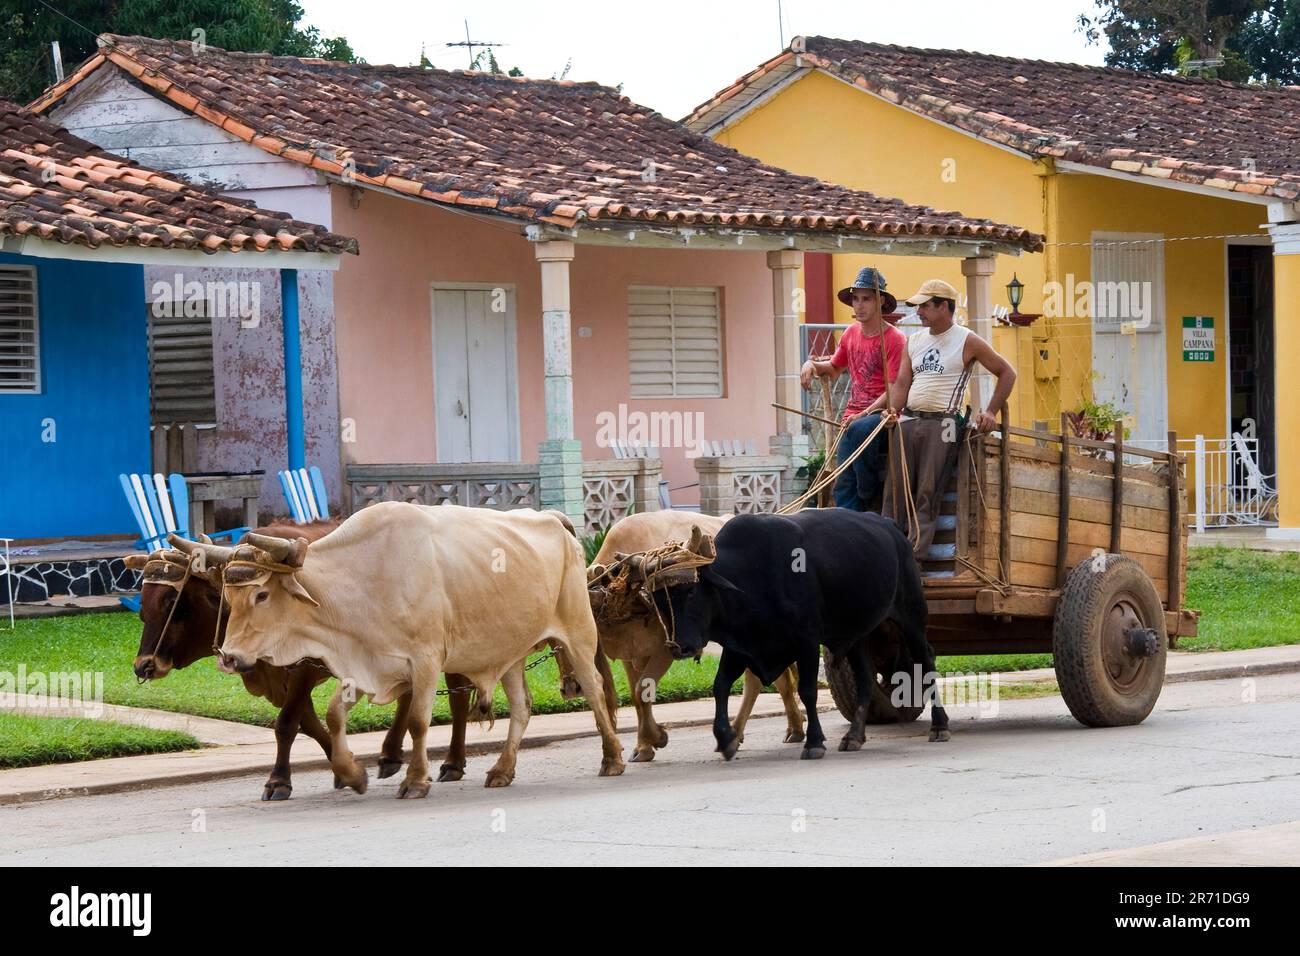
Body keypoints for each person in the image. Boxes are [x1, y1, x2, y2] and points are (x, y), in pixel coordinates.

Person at [883, 279, 1017, 562]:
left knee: (926, 494)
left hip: (944, 424)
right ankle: (887, 555)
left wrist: (990, 411)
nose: (918, 312)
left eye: (925, 306)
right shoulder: (914, 340)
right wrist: (892, 411)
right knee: (894, 492)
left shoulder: (967, 339)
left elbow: (1007, 373)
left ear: (944, 307)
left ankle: (912, 561)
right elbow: (901, 384)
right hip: (907, 421)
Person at [799, 267, 906, 511]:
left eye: (866, 299)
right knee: (842, 481)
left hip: (883, 417)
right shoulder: (850, 334)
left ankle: (867, 491)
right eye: (856, 299)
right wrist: (811, 364)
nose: (859, 305)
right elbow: (834, 368)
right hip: (853, 419)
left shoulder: (894, 339)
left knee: (856, 430)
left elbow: (893, 390)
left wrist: (864, 413)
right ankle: (848, 521)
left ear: (881, 301)